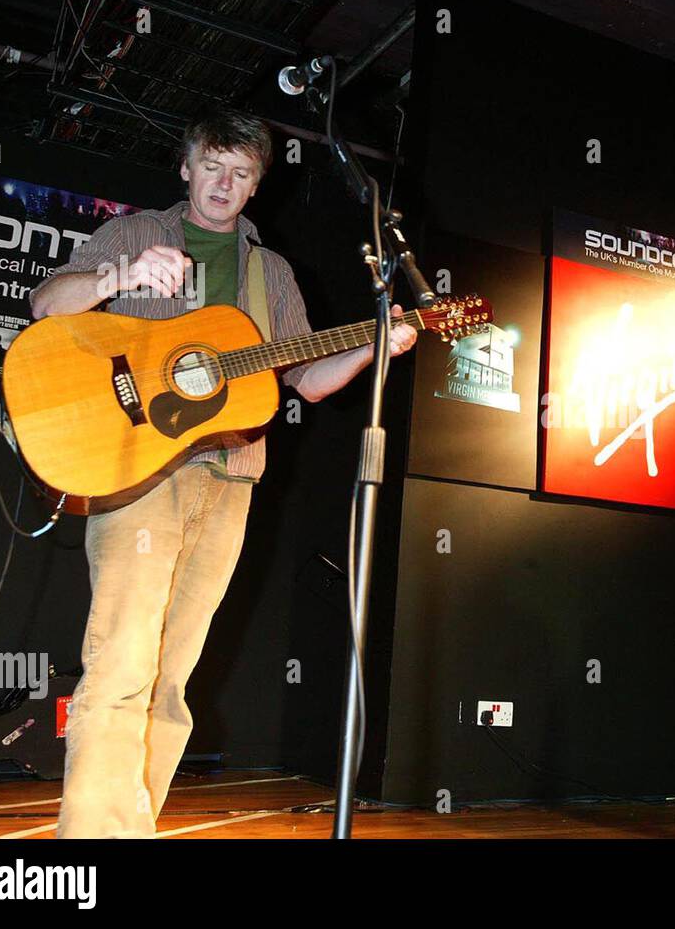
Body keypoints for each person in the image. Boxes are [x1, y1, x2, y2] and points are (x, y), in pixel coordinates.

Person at [29, 110, 417, 837]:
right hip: (137, 471)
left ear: (256, 186)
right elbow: (46, 305)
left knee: (171, 682)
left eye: (242, 174)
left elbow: (305, 377)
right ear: (187, 167)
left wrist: (374, 346)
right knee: (122, 664)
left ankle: (130, 826)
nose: (224, 182)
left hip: (232, 477)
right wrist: (118, 274)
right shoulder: (136, 232)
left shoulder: (271, 272)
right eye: (213, 165)